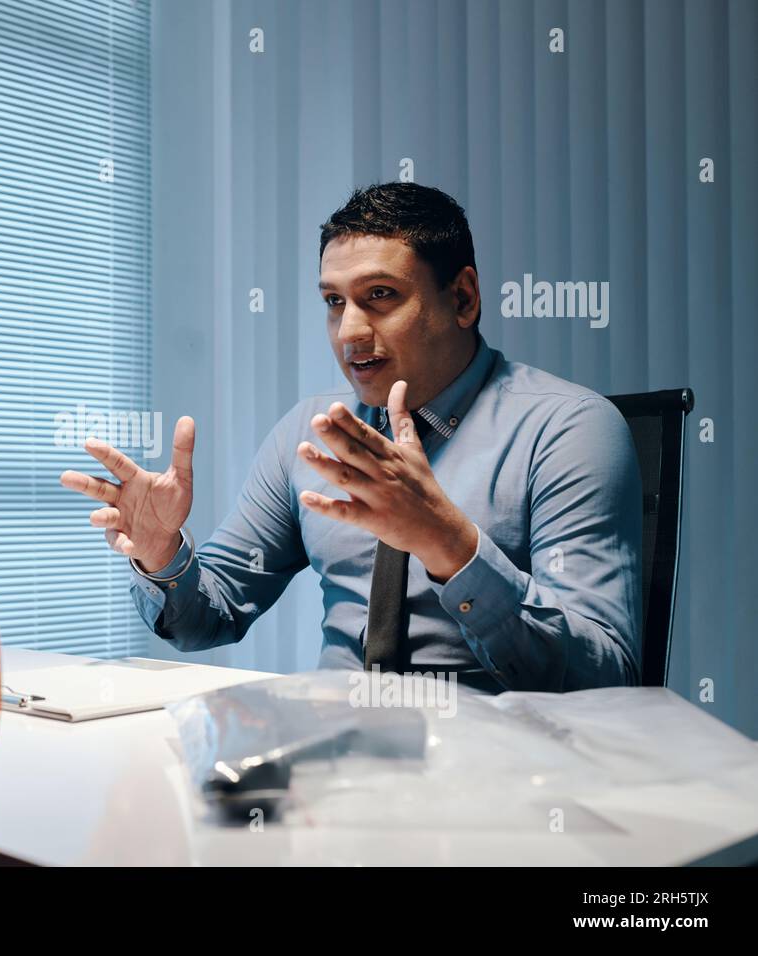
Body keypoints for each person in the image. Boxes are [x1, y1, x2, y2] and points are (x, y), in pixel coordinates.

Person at [62, 182, 642, 693]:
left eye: (381, 296)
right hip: (335, 759)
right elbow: (206, 619)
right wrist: (164, 557)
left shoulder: (568, 428)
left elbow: (605, 678)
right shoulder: (309, 432)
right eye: (334, 302)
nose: (350, 331)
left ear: (462, 298)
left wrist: (447, 542)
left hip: (497, 778)